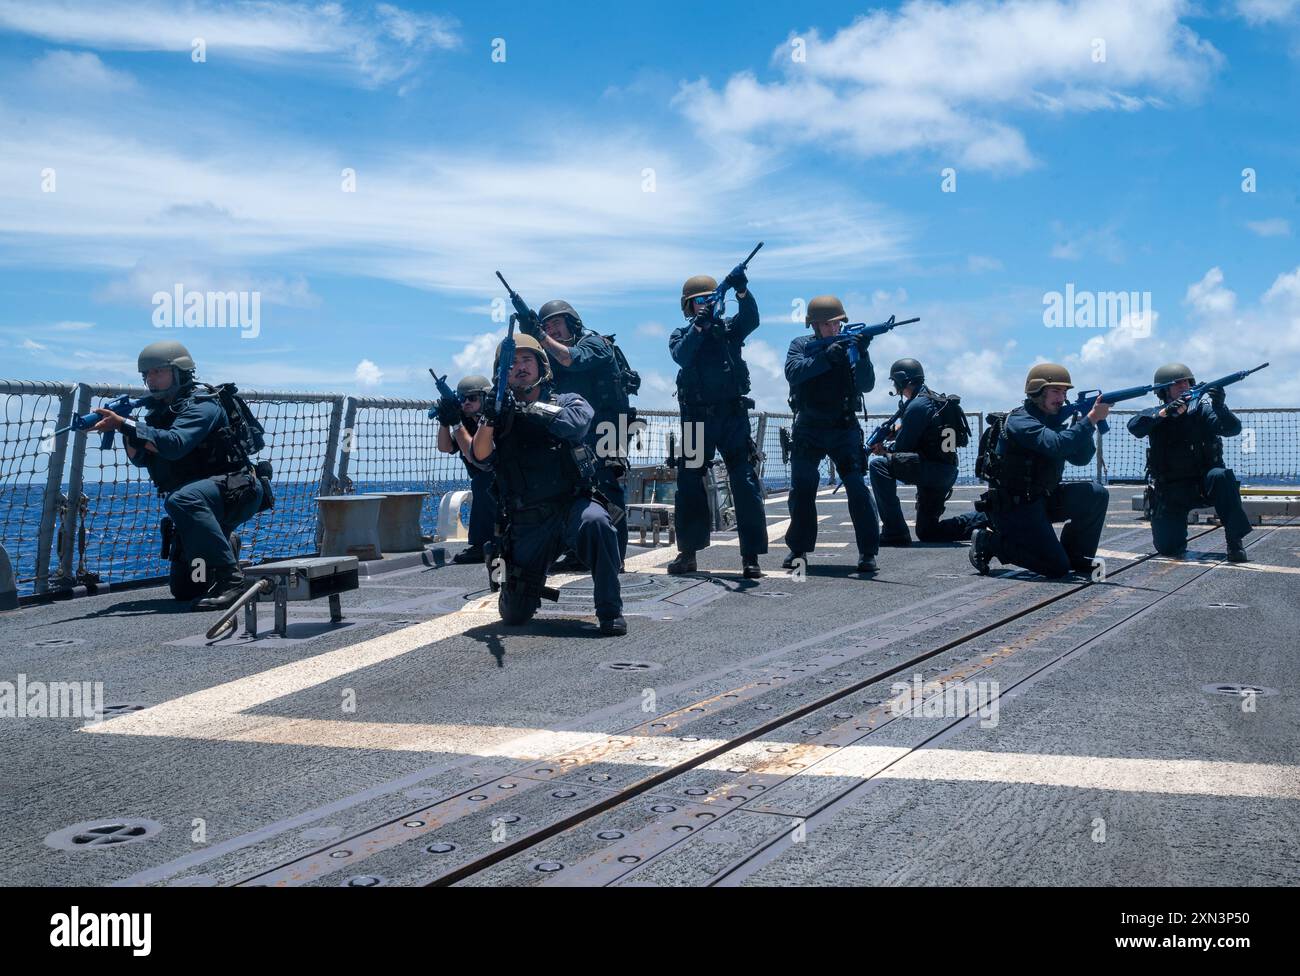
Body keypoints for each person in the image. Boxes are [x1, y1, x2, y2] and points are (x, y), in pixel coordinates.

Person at [91, 340, 267, 609]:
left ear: (180, 372)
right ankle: (223, 542)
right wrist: (124, 426)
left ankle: (232, 581)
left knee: (181, 500)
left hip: (235, 491)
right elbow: (140, 459)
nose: (151, 379)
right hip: (200, 498)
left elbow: (174, 445)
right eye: (146, 374)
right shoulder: (158, 414)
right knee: (187, 588)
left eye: (158, 371)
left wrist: (125, 424)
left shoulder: (202, 405)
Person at [471, 333, 626, 635]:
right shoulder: (496, 416)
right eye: (512, 363)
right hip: (526, 522)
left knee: (598, 522)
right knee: (514, 615)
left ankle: (610, 611)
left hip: (571, 508)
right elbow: (481, 456)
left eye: (527, 359)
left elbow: (576, 424)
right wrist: (490, 418)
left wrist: (528, 410)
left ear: (543, 367)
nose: (519, 367)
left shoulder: (568, 401)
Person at [666, 269, 767, 578]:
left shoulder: (729, 330)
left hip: (732, 417)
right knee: (689, 484)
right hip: (696, 419)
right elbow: (682, 357)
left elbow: (751, 319)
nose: (704, 305)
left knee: (744, 482)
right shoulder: (681, 334)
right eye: (698, 302)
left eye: (708, 300)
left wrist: (742, 292)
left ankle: (751, 556)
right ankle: (689, 554)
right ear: (689, 307)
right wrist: (700, 326)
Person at [969, 363, 1109, 579]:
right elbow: (1056, 446)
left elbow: (1081, 458)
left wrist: (1082, 423)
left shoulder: (1053, 421)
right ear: (1036, 391)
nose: (1061, 398)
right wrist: (1090, 420)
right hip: (1014, 508)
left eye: (1064, 392)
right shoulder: (1020, 421)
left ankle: (1077, 557)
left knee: (1096, 494)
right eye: (1055, 391)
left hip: (1041, 499)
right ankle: (989, 541)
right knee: (1055, 568)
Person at [525, 299, 634, 568]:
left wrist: (538, 336)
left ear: (572, 323)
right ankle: (579, 550)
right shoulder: (549, 354)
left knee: (607, 488)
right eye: (546, 327)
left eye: (556, 324)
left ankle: (615, 555)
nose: (552, 331)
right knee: (575, 488)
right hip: (576, 430)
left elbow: (570, 359)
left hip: (609, 429)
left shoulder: (596, 345)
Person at [781, 295, 880, 574]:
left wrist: (862, 354)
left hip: (843, 427)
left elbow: (867, 385)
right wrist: (826, 357)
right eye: (827, 324)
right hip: (809, 427)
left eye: (836, 324)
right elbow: (794, 372)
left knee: (858, 488)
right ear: (814, 325)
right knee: (802, 488)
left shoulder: (851, 347)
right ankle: (798, 548)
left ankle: (868, 552)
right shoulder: (801, 345)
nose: (833, 329)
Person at [1127, 363, 1251, 562]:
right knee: (1168, 548)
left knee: (1221, 476)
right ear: (1163, 390)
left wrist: (1220, 406)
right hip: (1171, 491)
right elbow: (1134, 427)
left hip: (1205, 485)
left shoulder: (1202, 411)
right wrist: (1165, 413)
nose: (1183, 386)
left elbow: (1231, 429)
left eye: (1186, 382)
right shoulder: (1156, 414)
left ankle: (1235, 542)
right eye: (1177, 384)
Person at [868, 358, 987, 545]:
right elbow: (930, 432)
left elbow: (902, 449)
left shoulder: (916, 406)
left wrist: (883, 451)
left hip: (930, 470)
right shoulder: (934, 400)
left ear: (901, 380)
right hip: (945, 470)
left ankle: (894, 532)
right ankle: (987, 518)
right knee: (928, 532)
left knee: (879, 466)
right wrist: (897, 432)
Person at [436, 375, 496, 564]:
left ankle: (481, 544)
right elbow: (445, 447)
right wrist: (445, 421)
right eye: (463, 399)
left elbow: (477, 456)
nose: (466, 403)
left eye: (472, 398)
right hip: (487, 480)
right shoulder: (465, 421)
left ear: (485, 398)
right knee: (482, 483)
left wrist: (456, 423)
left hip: (505, 477)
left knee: (483, 483)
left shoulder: (493, 419)